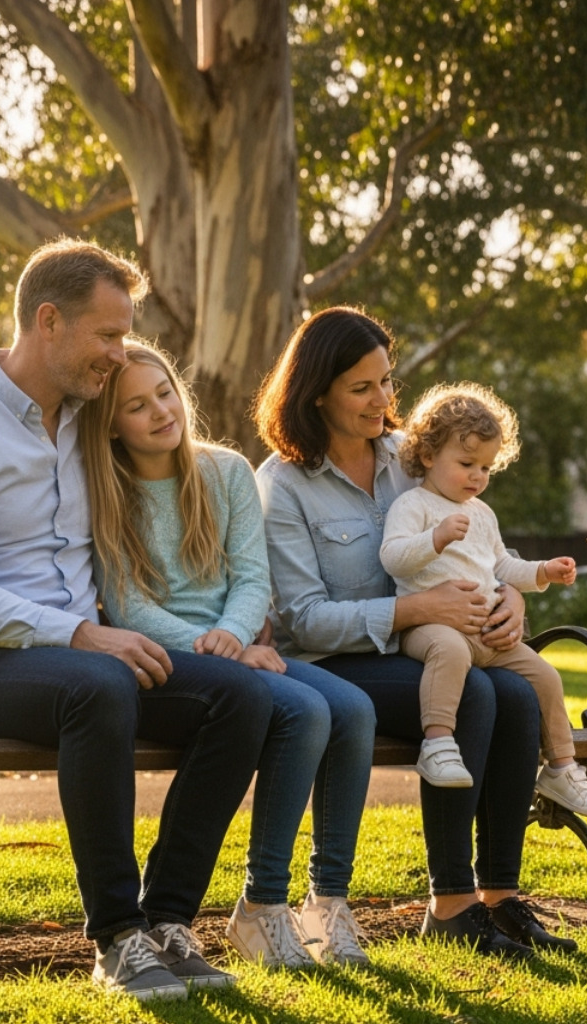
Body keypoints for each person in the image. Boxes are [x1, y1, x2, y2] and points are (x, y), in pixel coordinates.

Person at [0, 239, 271, 1002]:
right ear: (48, 321)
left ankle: (166, 923)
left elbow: (167, 481)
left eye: (123, 335)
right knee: (98, 686)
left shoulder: (85, 423)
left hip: (84, 663)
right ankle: (116, 938)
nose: (119, 354)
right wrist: (78, 632)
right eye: (107, 335)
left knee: (242, 697)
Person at [252, 306, 574, 959]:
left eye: (388, 381)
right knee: (479, 696)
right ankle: (450, 904)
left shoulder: (413, 457)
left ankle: (499, 899)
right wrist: (415, 610)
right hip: (335, 658)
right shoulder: (282, 485)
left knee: (515, 696)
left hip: (431, 646)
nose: (384, 400)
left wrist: (510, 595)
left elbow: (483, 547)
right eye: (362, 387)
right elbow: (302, 619)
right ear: (317, 394)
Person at [80, 339, 376, 968]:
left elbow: (251, 580)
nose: (161, 411)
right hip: (166, 661)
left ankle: (327, 901)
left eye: (164, 393)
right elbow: (129, 607)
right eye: (137, 406)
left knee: (353, 709)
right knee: (305, 713)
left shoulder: (226, 472)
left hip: (235, 647)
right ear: (109, 423)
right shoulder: (107, 493)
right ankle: (262, 904)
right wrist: (214, 650)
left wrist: (235, 638)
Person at [380, 382, 587, 818]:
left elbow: (501, 566)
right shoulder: (415, 506)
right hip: (430, 628)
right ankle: (439, 743)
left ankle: (561, 767)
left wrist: (542, 572)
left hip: (488, 635)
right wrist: (435, 539)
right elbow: (393, 558)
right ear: (428, 456)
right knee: (447, 652)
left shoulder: (483, 513)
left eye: (486, 467)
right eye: (466, 464)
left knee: (545, 676)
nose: (477, 477)